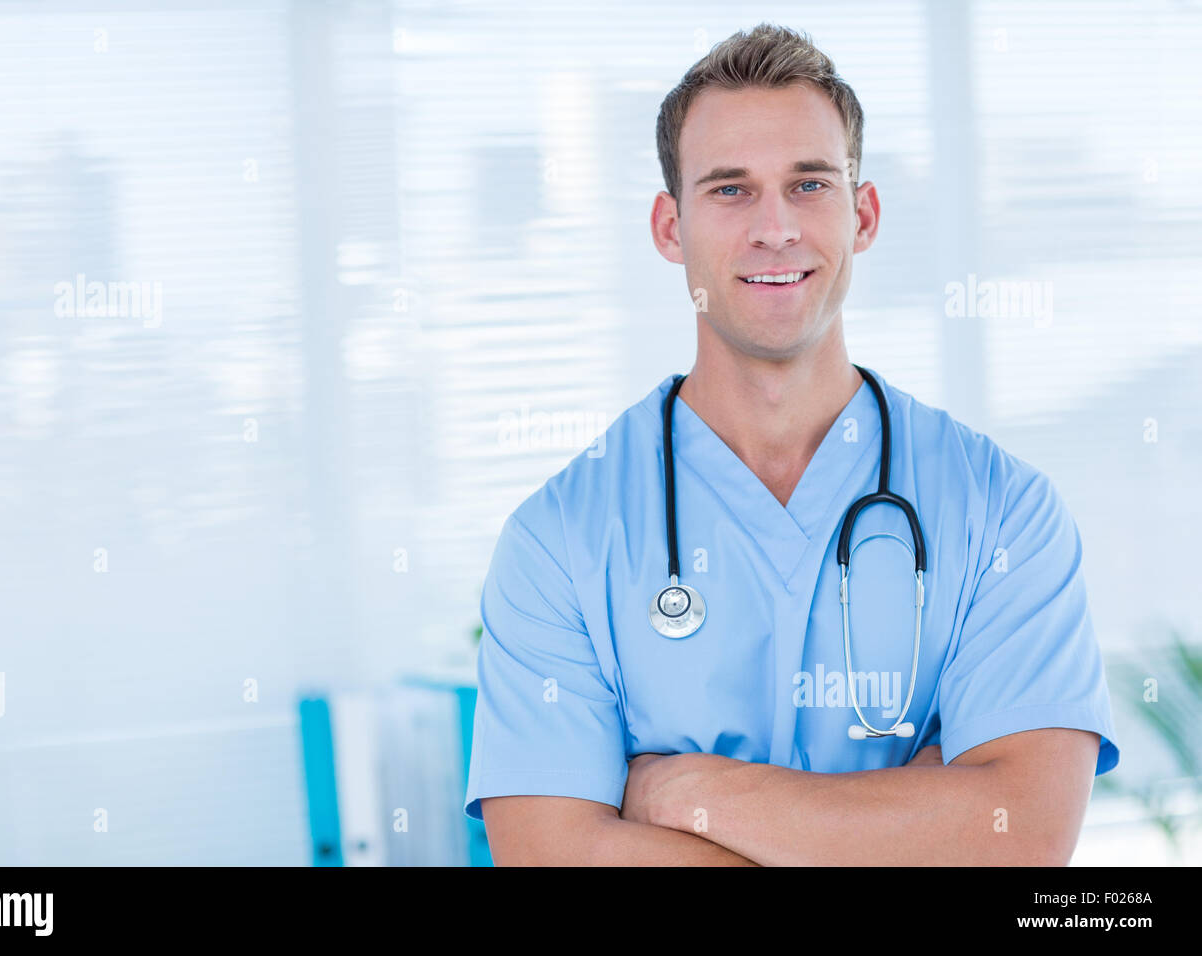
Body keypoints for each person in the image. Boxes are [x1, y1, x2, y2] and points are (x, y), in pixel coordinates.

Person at [463, 22, 1119, 866]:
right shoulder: (558, 542)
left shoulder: (1003, 513)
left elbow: (1019, 838)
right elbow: (553, 856)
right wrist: (912, 818)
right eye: (730, 190)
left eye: (809, 184)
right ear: (670, 228)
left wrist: (679, 794)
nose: (775, 228)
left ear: (864, 212)